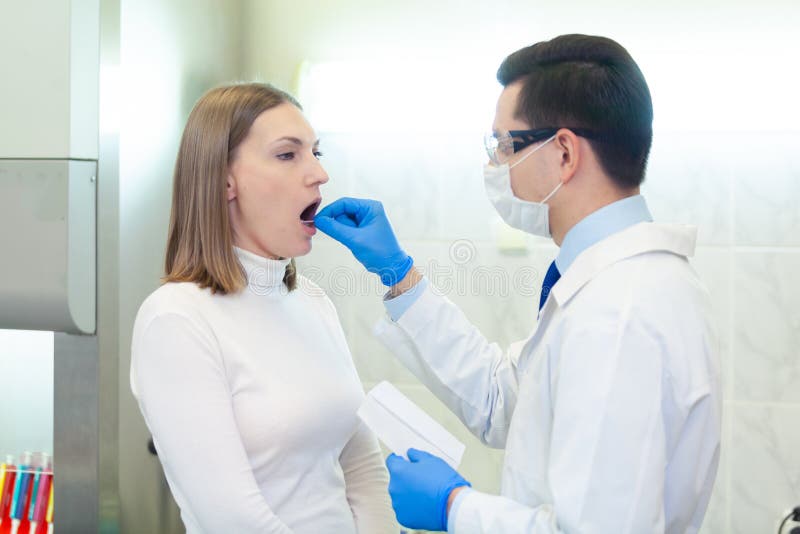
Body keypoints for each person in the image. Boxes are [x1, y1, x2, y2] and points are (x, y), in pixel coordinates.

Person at [314, 34, 721, 533]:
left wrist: (455, 508)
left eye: (505, 145)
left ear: (565, 153)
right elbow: (505, 399)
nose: (495, 165)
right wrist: (399, 275)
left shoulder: (617, 314)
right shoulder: (618, 286)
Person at [130, 83, 396, 533]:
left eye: (316, 152)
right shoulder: (176, 319)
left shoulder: (312, 302)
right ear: (224, 180)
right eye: (288, 155)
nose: (319, 174)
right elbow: (232, 518)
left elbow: (363, 467)